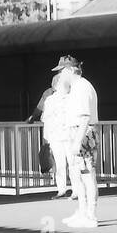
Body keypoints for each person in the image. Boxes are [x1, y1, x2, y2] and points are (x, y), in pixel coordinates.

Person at [61, 62, 100, 227]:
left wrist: (77, 142)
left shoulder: (81, 87)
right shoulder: (79, 86)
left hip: (82, 133)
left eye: (62, 72)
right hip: (79, 132)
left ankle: (90, 215)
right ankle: (83, 211)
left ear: (70, 71)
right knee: (79, 175)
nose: (60, 76)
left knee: (87, 175)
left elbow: (84, 116)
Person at [41, 68, 73, 198]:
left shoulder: (55, 100)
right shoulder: (52, 100)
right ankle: (67, 189)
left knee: (64, 164)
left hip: (61, 135)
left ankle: (64, 189)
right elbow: (46, 118)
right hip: (63, 135)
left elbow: (45, 118)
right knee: (67, 163)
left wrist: (47, 136)